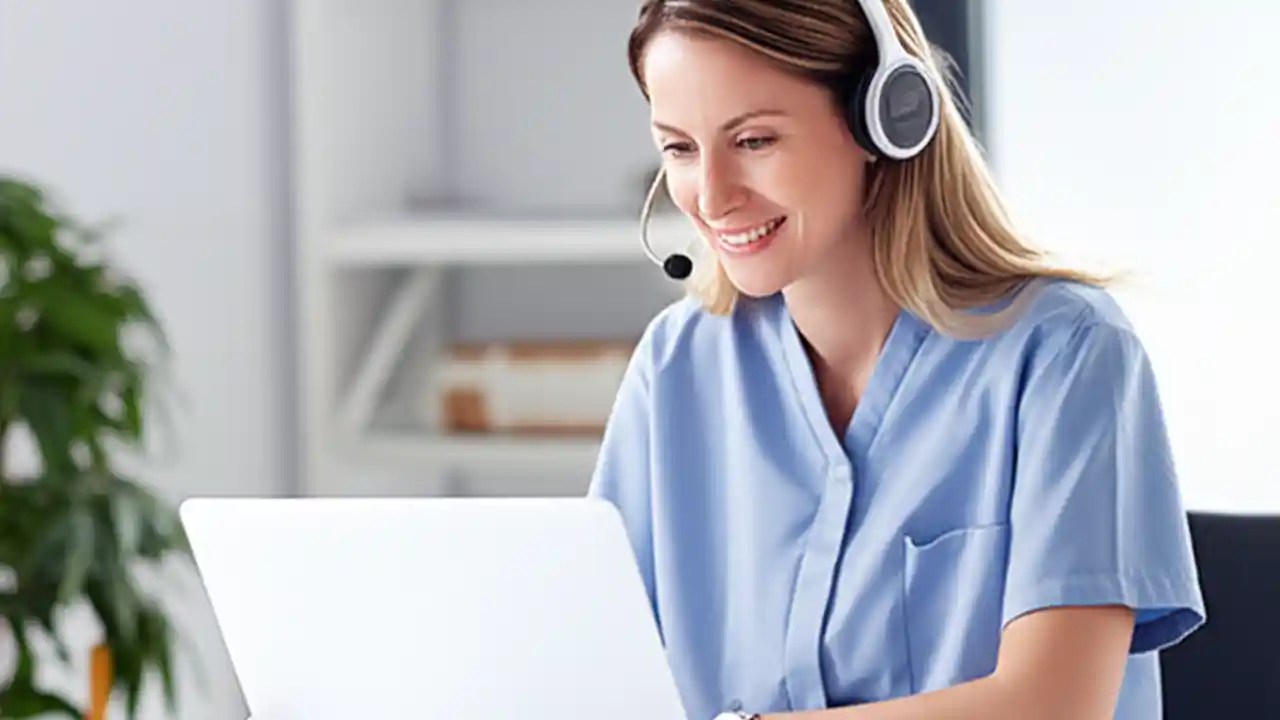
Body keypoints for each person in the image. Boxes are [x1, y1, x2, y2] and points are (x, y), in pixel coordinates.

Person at [587, 1, 1206, 719]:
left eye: (753, 140)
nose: (713, 195)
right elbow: (596, 667)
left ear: (889, 116)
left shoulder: (1065, 354)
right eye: (680, 149)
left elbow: (1055, 704)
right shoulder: (675, 369)